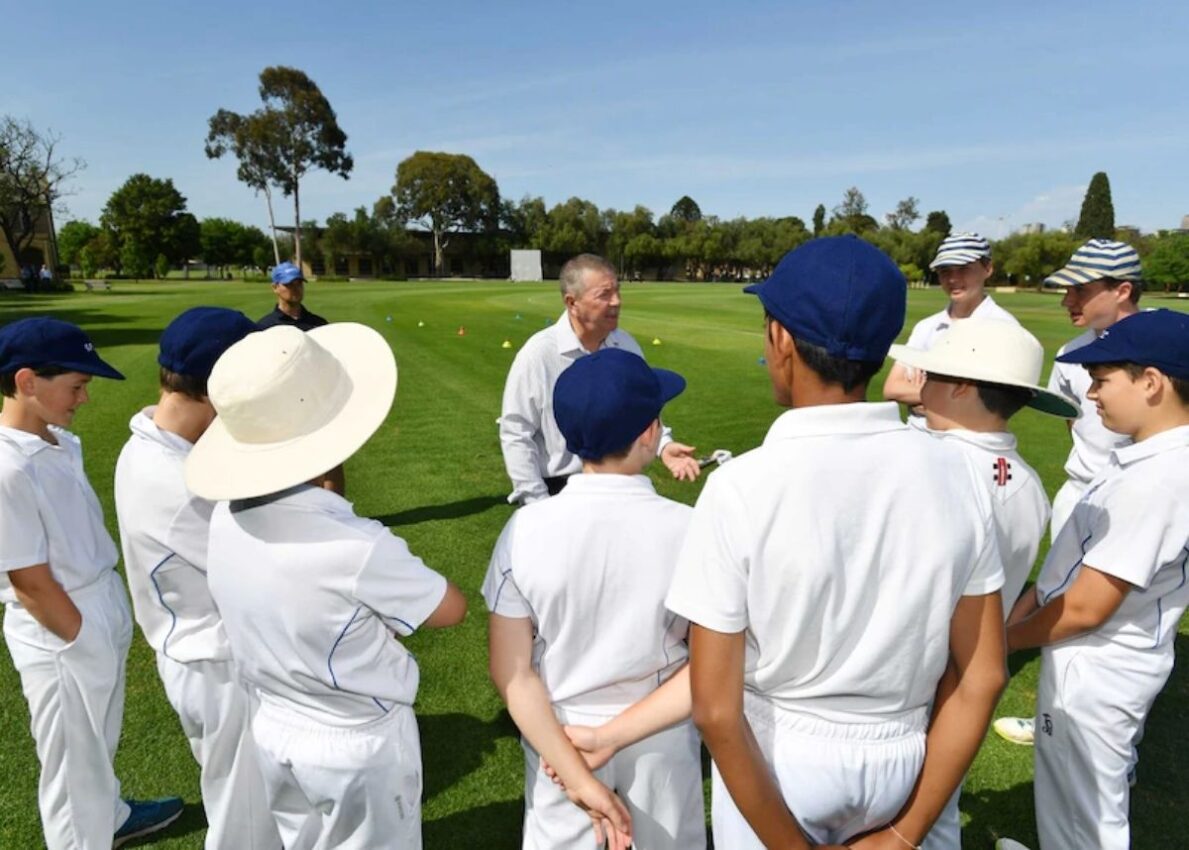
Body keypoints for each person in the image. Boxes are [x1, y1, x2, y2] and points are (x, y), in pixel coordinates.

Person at [664, 236, 1008, 849]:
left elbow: (715, 709)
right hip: (903, 757)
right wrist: (904, 836)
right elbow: (982, 676)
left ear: (781, 340)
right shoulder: (956, 473)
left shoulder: (741, 486)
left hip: (774, 756)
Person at [187, 323, 467, 849]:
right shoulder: (356, 546)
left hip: (274, 724)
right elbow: (450, 607)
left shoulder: (225, 518)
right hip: (357, 742)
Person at [484, 347, 704, 850]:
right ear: (650, 433)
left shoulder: (524, 531)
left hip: (558, 738)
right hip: (659, 734)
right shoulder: (691, 530)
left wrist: (578, 775)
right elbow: (713, 666)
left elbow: (512, 672)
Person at [998, 309, 1189, 850]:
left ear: (1151, 382)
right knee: (1070, 793)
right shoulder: (1145, 454)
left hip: (1099, 665)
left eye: (1102, 381)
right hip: (1106, 657)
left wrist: (1002, 641)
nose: (1091, 396)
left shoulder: (1156, 479)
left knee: (1087, 816)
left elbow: (1086, 607)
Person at [888, 319, 1078, 849]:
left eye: (932, 369)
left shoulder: (922, 467)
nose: (918, 377)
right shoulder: (1031, 486)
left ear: (963, 385)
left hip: (903, 689)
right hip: (963, 686)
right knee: (936, 815)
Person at [0, 317, 183, 850]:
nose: (83, 399)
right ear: (28, 381)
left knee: (95, 740)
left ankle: (110, 813)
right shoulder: (9, 469)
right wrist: (82, 640)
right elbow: (29, 579)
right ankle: (84, 836)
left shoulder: (56, 441)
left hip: (94, 601)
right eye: (76, 387)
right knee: (71, 763)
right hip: (59, 625)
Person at [113, 307, 280, 850]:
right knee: (245, 818)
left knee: (251, 801)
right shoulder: (182, 485)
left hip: (199, 654)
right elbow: (269, 568)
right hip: (219, 666)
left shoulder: (148, 440)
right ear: (216, 387)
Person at [993, 238, 1143, 747]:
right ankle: (1057, 717)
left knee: (1112, 618)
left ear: (1122, 290)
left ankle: (1105, 730)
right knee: (1060, 600)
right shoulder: (1070, 354)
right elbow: (1074, 427)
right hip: (1080, 489)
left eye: (1080, 289)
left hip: (1139, 497)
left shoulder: (1162, 348)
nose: (1068, 301)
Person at [499, 253, 700, 504]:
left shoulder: (625, 344)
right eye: (604, 294)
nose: (616, 301)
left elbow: (642, 408)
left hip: (621, 486)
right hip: (558, 490)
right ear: (572, 303)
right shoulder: (538, 354)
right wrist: (536, 502)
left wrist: (664, 446)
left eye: (617, 291)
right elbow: (516, 431)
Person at [883, 232, 1018, 415]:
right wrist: (955, 393)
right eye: (945, 271)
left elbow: (994, 404)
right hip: (918, 437)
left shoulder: (1005, 328)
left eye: (963, 269)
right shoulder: (926, 327)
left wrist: (924, 394)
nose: (953, 279)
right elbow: (892, 388)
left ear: (987, 268)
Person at [257, 261, 328, 331]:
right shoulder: (265, 327)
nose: (296, 288)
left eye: (299, 283)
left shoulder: (319, 324)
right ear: (275, 287)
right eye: (289, 284)